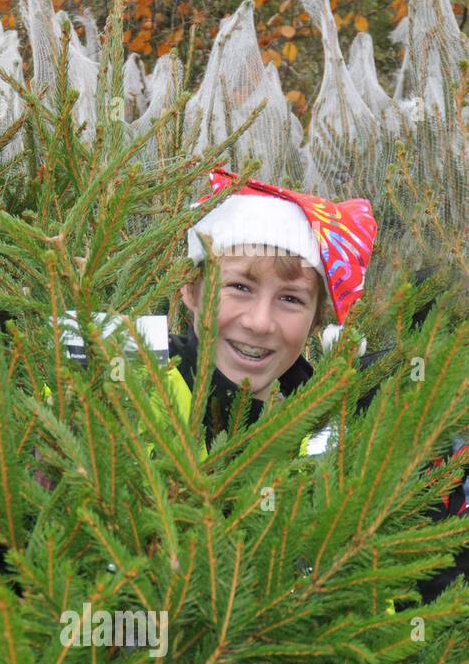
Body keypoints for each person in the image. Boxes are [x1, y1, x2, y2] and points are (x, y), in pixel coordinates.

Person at [160, 167, 376, 455]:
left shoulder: (332, 444)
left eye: (290, 299)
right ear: (189, 288)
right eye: (240, 287)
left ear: (315, 320)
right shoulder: (131, 389)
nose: (260, 323)